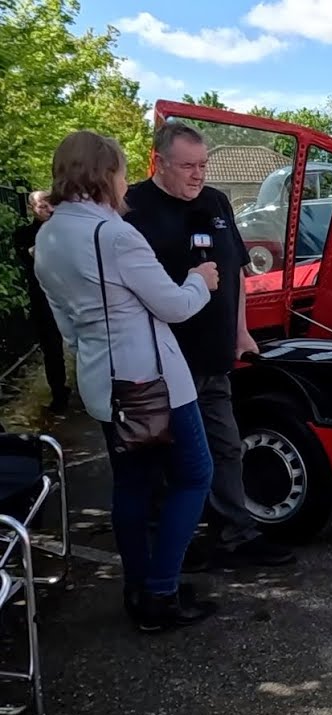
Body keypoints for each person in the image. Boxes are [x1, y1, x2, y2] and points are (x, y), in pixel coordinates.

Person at [34, 130, 220, 631]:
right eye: (119, 171)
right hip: (153, 384)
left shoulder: (48, 237)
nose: (124, 181)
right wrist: (199, 281)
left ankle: (139, 588)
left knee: (132, 487)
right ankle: (160, 591)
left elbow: (66, 325)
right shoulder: (116, 235)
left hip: (103, 384)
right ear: (103, 174)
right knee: (195, 475)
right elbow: (175, 306)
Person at [123, 120, 295, 569]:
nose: (198, 174)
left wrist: (241, 331)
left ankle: (234, 535)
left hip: (213, 354)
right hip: (161, 361)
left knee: (225, 447)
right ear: (159, 162)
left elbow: (235, 270)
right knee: (164, 455)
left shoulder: (216, 202)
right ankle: (170, 545)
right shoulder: (132, 207)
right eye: (188, 166)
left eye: (203, 165)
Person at [12, 190, 70, 413]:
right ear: (31, 209)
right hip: (43, 297)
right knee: (51, 348)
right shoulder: (24, 234)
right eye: (42, 206)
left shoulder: (66, 230)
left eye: (50, 204)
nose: (48, 210)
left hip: (71, 294)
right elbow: (33, 256)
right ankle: (59, 394)